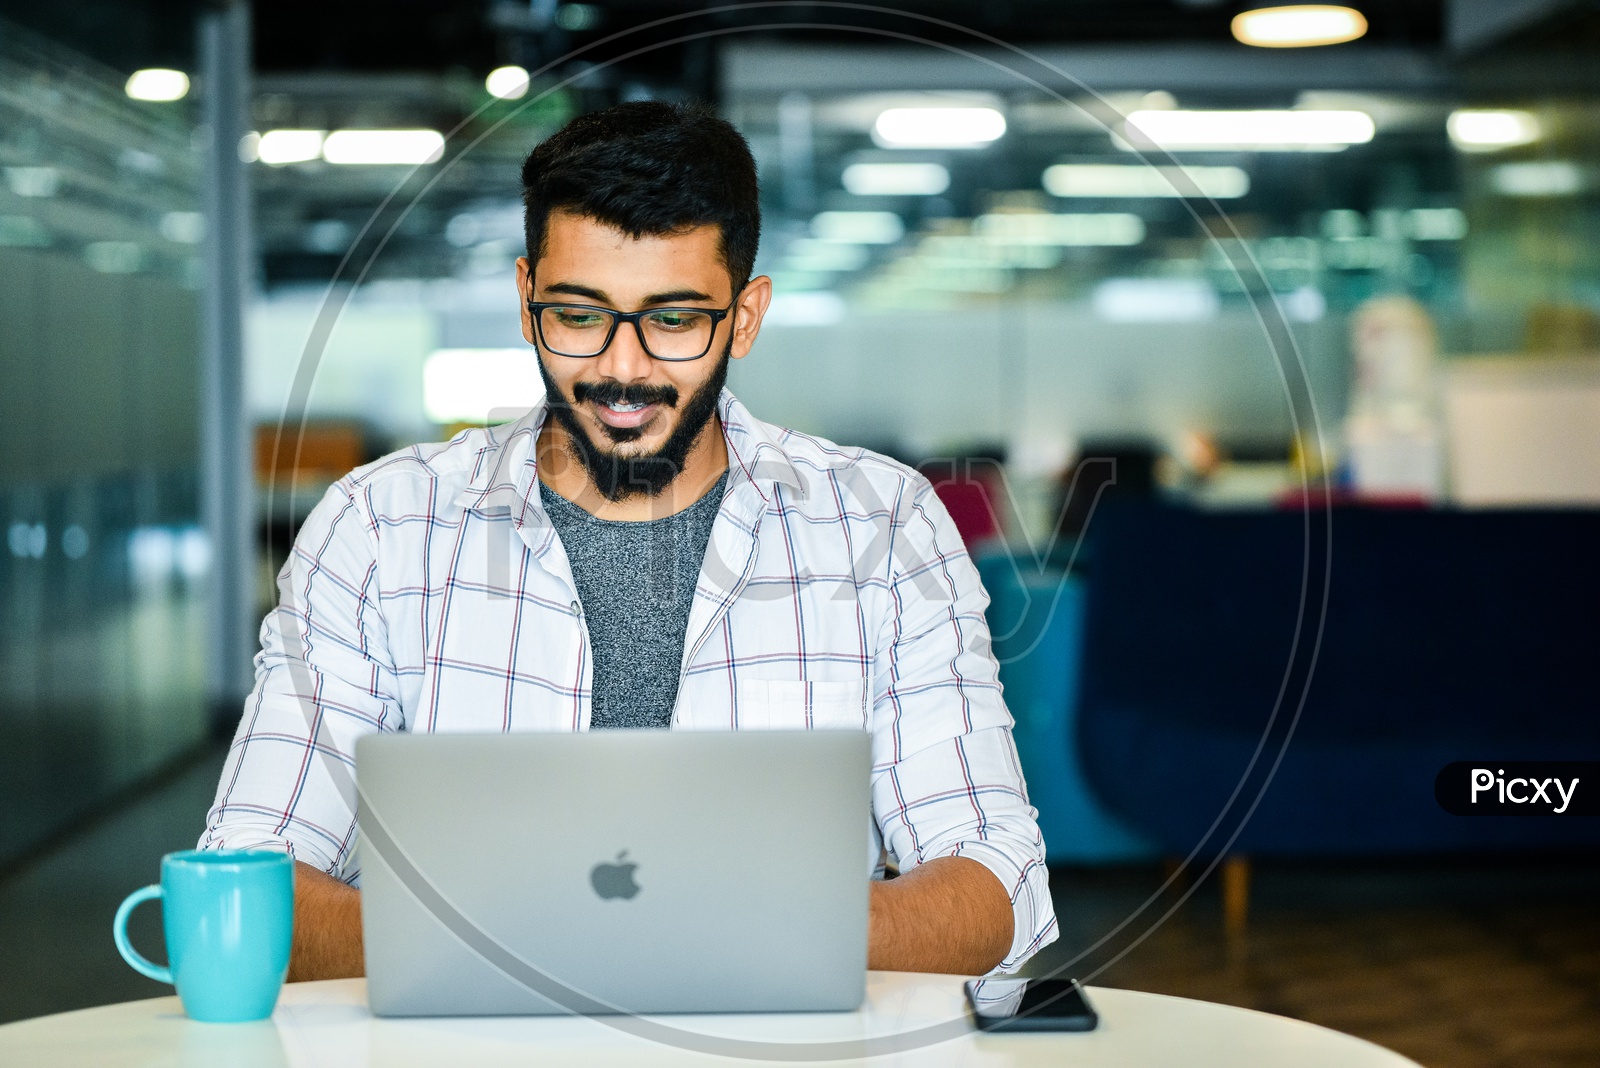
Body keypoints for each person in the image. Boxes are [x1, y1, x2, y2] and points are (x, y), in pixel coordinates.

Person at [200, 101, 1056, 982]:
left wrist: (709, 944)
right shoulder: (378, 531)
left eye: (675, 320)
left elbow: (999, 883)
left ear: (746, 316)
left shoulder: (884, 528)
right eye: (580, 315)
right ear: (528, 301)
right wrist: (552, 950)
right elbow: (242, 883)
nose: (623, 368)